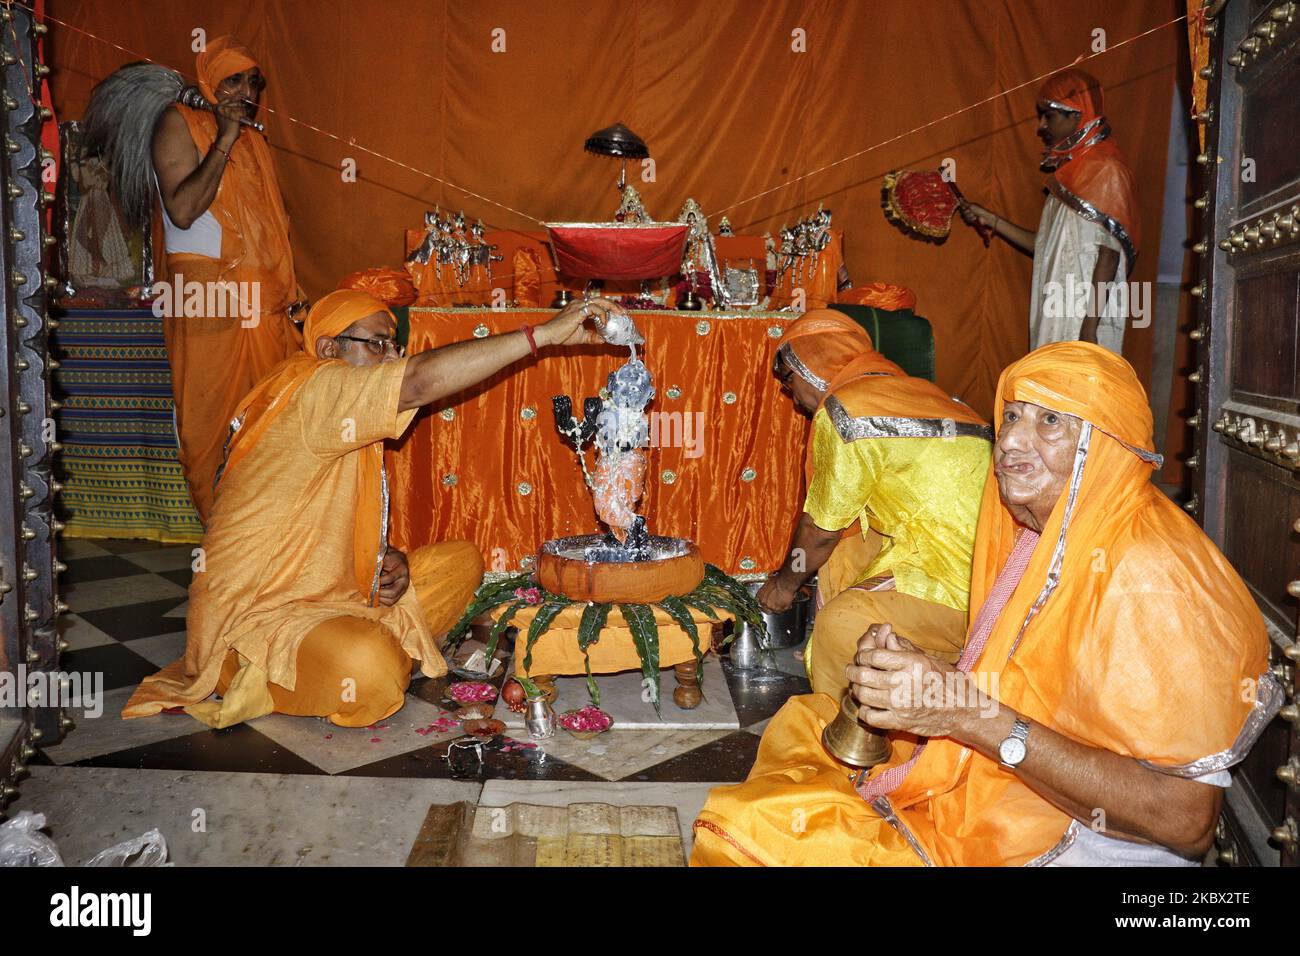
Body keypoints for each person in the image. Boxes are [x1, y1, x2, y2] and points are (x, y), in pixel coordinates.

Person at [693, 342, 1282, 866]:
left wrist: (964, 713)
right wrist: (925, 674)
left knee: (762, 834)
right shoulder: (1043, 533)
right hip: (1014, 778)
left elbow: (1185, 821)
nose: (1013, 444)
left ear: (1103, 446)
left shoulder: (1151, 576)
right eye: (1012, 417)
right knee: (808, 727)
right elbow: (1038, 691)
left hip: (1080, 838)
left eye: (1051, 421)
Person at [123, 290, 625, 728]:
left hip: (334, 597)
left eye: (395, 345)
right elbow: (419, 382)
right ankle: (259, 673)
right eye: (377, 344)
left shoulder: (330, 399)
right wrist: (544, 336)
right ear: (327, 348)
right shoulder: (315, 386)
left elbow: (316, 520)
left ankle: (367, 642)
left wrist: (386, 560)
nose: (392, 356)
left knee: (461, 561)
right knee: (372, 672)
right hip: (261, 621)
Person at [755, 311, 991, 698]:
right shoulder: (941, 398)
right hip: (993, 577)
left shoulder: (849, 409)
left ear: (811, 366)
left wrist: (783, 587)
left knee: (839, 625)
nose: (789, 394)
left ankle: (848, 740)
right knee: (857, 542)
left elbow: (820, 531)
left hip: (952, 589)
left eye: (787, 379)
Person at [151, 36, 302, 523]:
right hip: (207, 300)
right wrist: (224, 138)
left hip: (262, 306)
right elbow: (182, 208)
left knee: (271, 428)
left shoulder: (255, 141)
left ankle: (264, 548)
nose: (245, 91)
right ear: (209, 82)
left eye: (253, 82)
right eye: (232, 80)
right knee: (210, 430)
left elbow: (272, 234)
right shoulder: (178, 122)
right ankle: (222, 542)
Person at [959, 69, 1141, 354]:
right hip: (1057, 314)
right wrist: (990, 218)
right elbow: (1042, 247)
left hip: (1084, 319)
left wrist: (1088, 329)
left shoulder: (1106, 169)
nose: (1042, 125)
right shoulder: (1066, 178)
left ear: (1076, 114)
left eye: (1049, 115)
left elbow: (1109, 255)